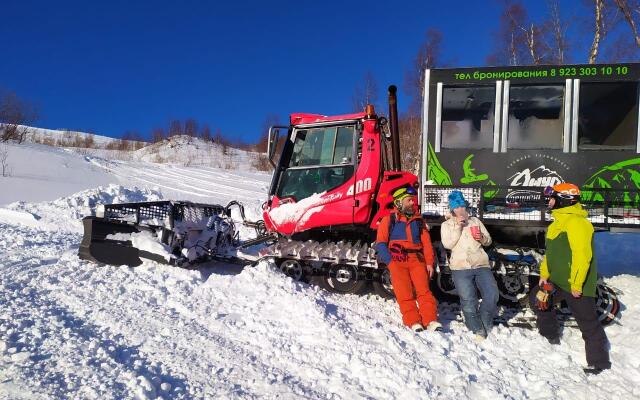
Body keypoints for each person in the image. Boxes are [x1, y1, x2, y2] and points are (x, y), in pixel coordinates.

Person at [529, 183, 611, 375]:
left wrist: (576, 284)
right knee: (538, 299)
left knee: (588, 322)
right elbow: (551, 254)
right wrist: (544, 273)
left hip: (577, 284)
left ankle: (599, 363)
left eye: (552, 197)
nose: (548, 201)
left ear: (564, 199)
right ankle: (550, 335)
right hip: (556, 280)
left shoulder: (578, 223)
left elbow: (582, 256)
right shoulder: (556, 223)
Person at [375, 186, 442, 333]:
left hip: (417, 260)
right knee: (404, 293)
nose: (413, 203)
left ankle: (430, 320)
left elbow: (426, 244)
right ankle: (413, 321)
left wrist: (429, 263)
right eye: (409, 200)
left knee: (424, 291)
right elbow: (380, 243)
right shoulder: (389, 220)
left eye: (413, 200)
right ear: (399, 202)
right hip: (397, 261)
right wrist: (390, 263)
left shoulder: (419, 222)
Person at [440, 190, 499, 340]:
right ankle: (476, 328)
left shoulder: (475, 221)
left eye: (462, 206)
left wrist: (482, 238)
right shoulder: (446, 225)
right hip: (460, 267)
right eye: (457, 207)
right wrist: (458, 228)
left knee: (492, 295)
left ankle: (485, 321)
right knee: (468, 300)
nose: (461, 210)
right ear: (452, 209)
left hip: (480, 263)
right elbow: (448, 244)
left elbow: (489, 240)